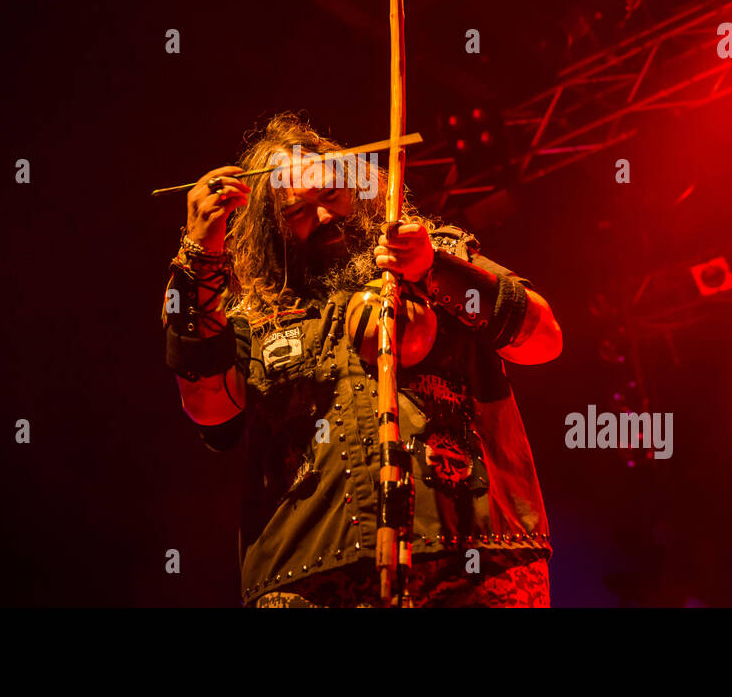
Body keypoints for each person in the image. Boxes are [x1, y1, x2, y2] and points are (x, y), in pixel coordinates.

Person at [161, 112, 562, 607]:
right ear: (273, 231)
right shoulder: (251, 319)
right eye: (298, 211)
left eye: (331, 195)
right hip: (308, 580)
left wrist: (434, 270)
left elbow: (544, 339)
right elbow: (208, 408)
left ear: (358, 186)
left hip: (474, 560)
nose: (325, 216)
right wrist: (199, 254)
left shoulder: (436, 250)